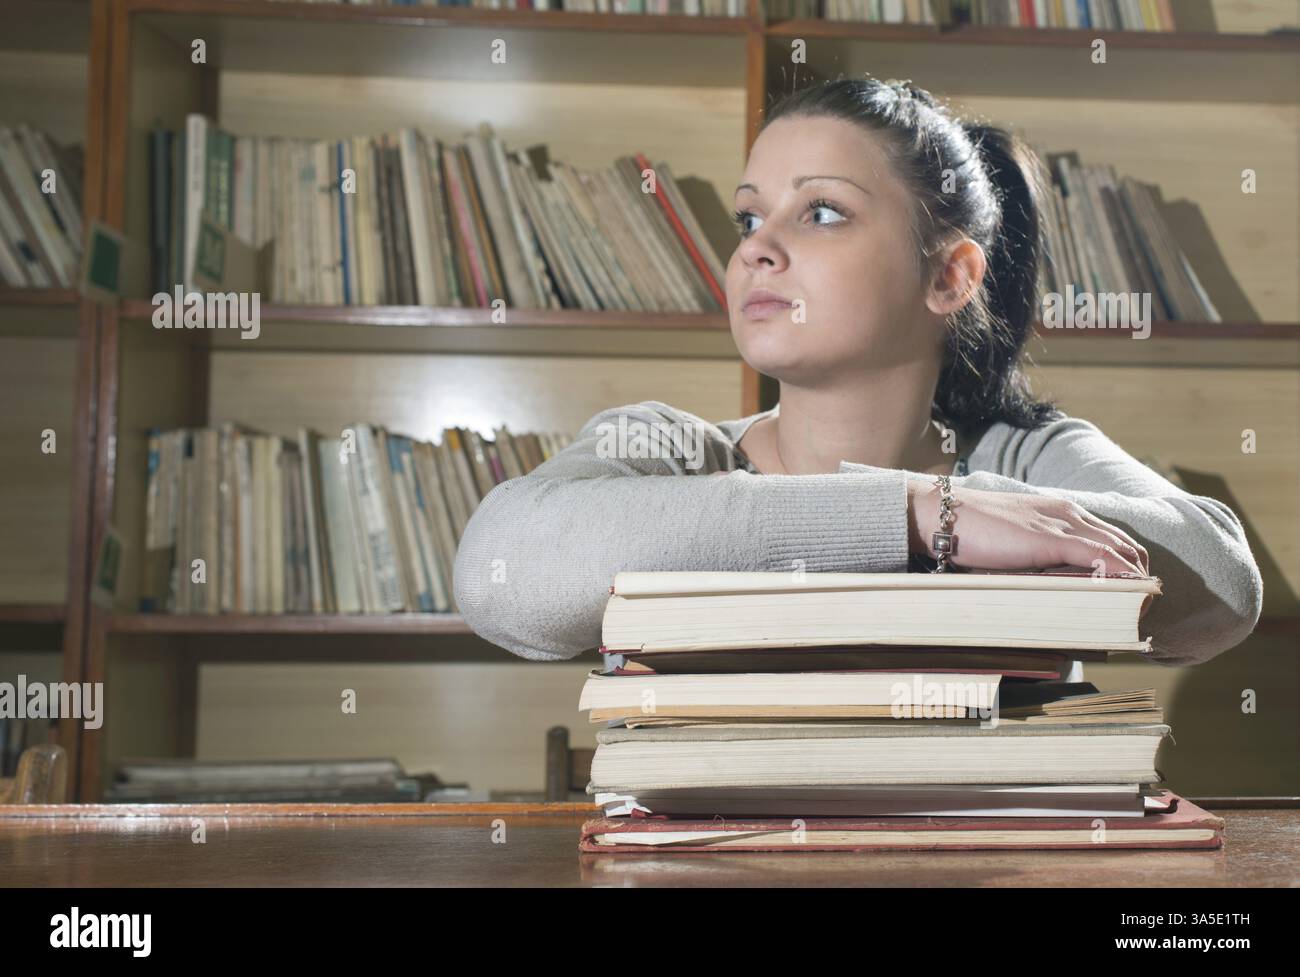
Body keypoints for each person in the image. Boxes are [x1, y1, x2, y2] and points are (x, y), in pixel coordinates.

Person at [452, 77, 1262, 674]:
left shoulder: (1020, 457)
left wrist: (976, 501)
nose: (754, 247)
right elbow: (498, 573)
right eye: (748, 216)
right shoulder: (669, 446)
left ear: (950, 277)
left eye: (822, 211)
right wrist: (915, 514)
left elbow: (1223, 582)